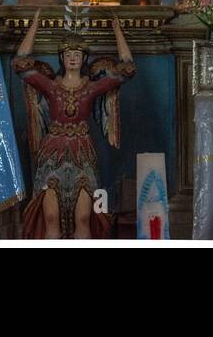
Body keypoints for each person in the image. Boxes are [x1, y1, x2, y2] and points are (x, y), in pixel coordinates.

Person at [13, 18, 134, 238]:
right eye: (68, 55)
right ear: (61, 58)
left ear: (84, 59)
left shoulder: (91, 88)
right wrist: (35, 25)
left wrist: (118, 30)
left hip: (82, 153)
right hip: (52, 153)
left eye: (77, 55)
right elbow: (20, 64)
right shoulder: (51, 86)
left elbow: (126, 70)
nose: (72, 59)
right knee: (51, 217)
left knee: (83, 218)